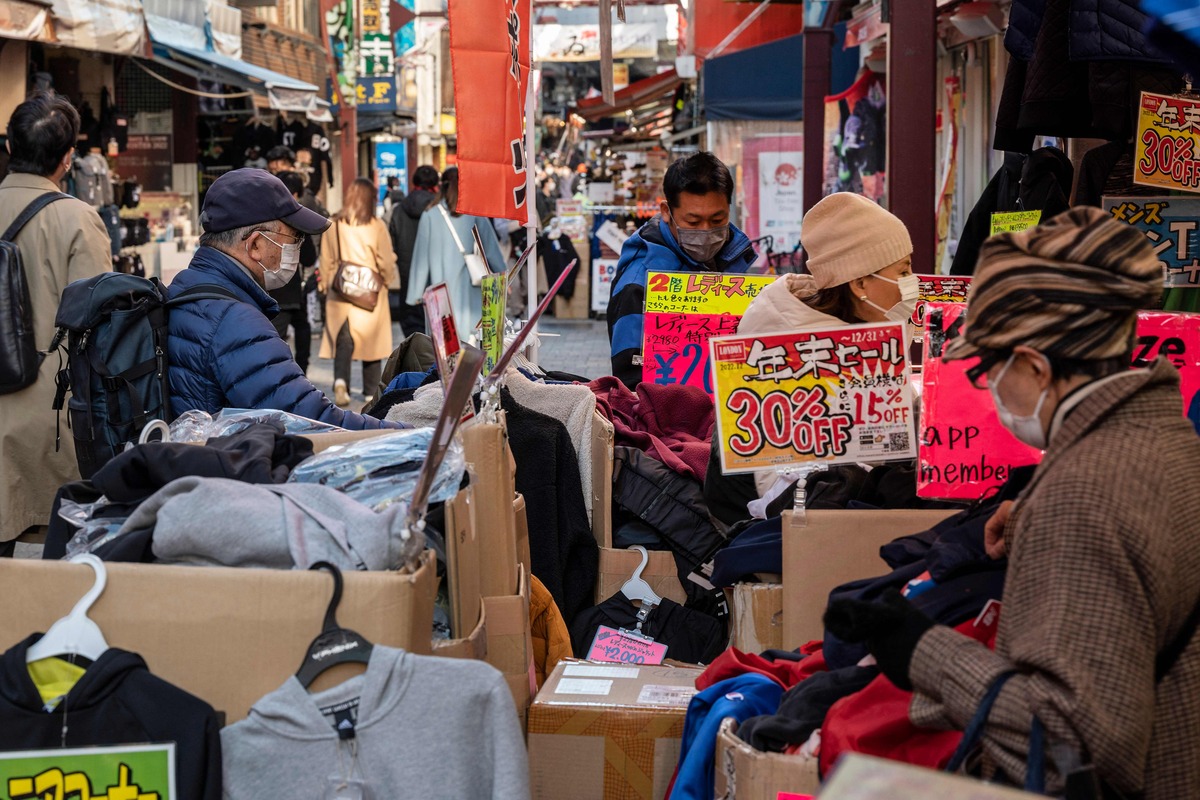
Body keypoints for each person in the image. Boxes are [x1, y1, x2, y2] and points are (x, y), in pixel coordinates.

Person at [824, 207, 1200, 799]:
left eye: (989, 368)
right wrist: (1031, 514)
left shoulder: (1083, 493)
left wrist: (922, 650)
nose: (989, 386)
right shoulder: (1171, 442)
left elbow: (1073, 742)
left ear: (1034, 366)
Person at [704, 192, 919, 525]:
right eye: (903, 271)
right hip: (779, 529)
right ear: (860, 283)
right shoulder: (791, 350)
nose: (912, 282)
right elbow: (781, 492)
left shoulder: (860, 331)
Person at [167, 168, 398, 430]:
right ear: (255, 244)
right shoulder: (237, 322)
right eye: (294, 238)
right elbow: (313, 420)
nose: (297, 247)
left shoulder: (185, 286)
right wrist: (412, 433)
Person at [0, 92, 112, 556]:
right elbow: (100, 323)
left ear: (10, 146)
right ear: (68, 159)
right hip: (48, 413)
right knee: (58, 559)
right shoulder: (77, 219)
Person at [607, 152, 756, 389]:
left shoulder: (729, 259)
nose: (706, 231)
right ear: (667, 212)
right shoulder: (638, 283)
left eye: (717, 220)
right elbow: (630, 382)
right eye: (693, 222)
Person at [318, 177, 397, 408]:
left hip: (340, 291)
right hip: (370, 293)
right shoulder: (376, 225)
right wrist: (387, 280)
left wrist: (326, 285)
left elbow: (326, 259)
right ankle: (371, 392)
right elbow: (386, 262)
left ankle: (340, 382)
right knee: (371, 342)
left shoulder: (334, 224)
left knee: (343, 339)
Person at [407, 166, 505, 335]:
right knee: (471, 338)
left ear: (442, 186)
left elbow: (421, 259)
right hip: (471, 287)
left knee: (445, 339)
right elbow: (490, 248)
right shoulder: (475, 212)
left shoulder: (430, 215)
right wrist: (503, 274)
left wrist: (415, 293)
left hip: (441, 291)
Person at [266, 171, 319, 374]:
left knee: (274, 336)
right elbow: (309, 258)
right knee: (301, 328)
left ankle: (277, 373)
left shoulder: (263, 215)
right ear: (295, 194)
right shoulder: (296, 220)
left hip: (267, 288)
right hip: (291, 289)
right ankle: (299, 371)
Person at [387, 164, 439, 336]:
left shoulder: (399, 210)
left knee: (413, 337)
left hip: (407, 278)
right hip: (435, 280)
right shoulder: (440, 210)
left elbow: (392, 242)